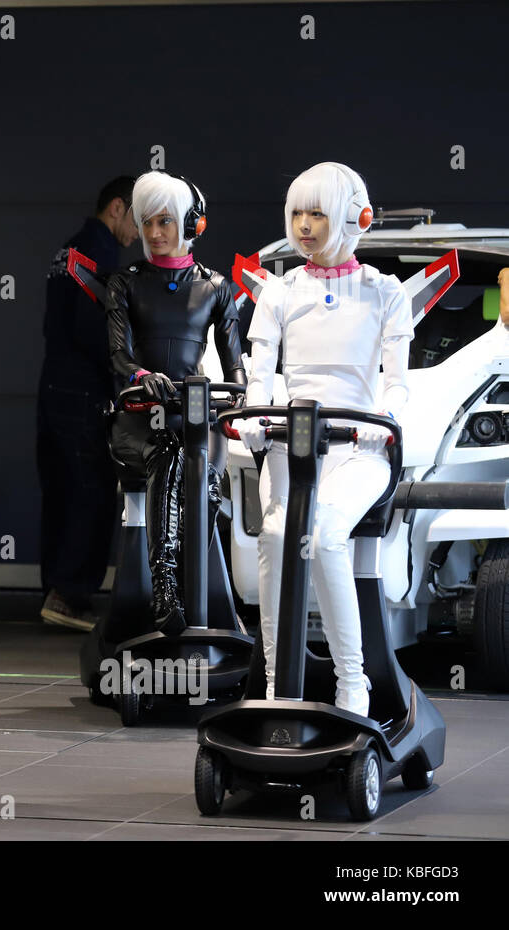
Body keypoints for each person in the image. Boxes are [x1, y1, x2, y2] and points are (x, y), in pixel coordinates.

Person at [236, 162, 410, 716]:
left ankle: (352, 684)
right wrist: (253, 417)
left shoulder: (384, 291)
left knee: (328, 534)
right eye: (297, 213)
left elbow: (397, 385)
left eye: (318, 213)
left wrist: (380, 420)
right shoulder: (280, 292)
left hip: (359, 449)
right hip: (294, 444)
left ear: (352, 218)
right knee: (275, 538)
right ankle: (275, 685)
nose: (305, 225)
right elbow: (259, 374)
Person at [104, 171, 246, 639]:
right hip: (138, 418)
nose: (155, 233)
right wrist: (143, 379)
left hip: (197, 417)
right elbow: (120, 357)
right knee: (170, 452)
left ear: (192, 224)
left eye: (165, 221)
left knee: (203, 474)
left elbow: (235, 368)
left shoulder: (216, 287)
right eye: (147, 223)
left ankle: (191, 590)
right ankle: (166, 585)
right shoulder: (123, 284)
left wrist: (237, 401)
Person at [38, 175, 138, 631]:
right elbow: (92, 330)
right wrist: (127, 369)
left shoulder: (69, 249)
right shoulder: (99, 253)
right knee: (89, 493)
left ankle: (58, 591)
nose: (143, 232)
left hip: (54, 387)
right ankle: (71, 595)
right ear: (117, 208)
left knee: (61, 491)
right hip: (83, 394)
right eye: (138, 218)